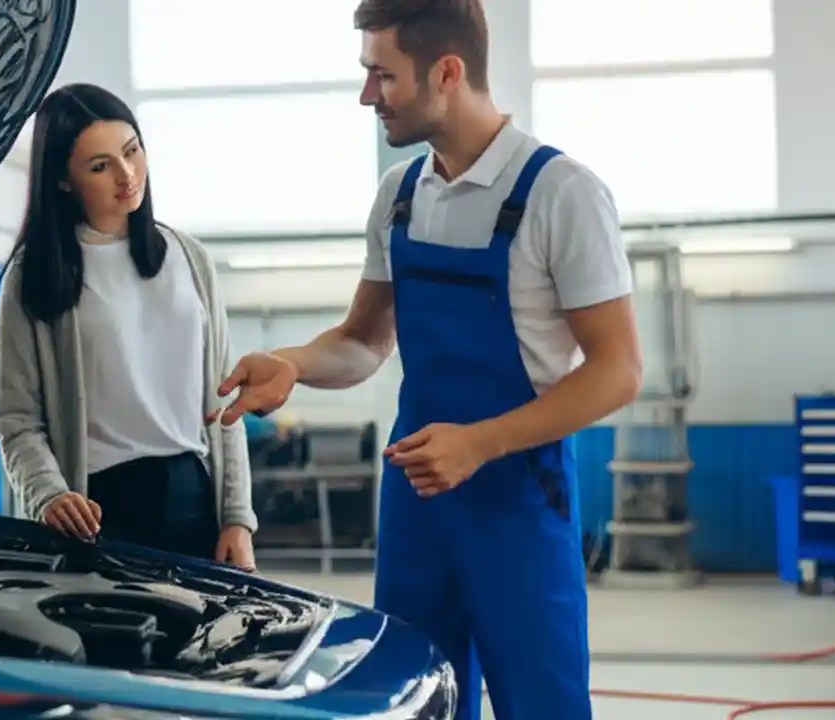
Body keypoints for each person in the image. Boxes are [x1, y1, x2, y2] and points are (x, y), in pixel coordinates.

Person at [209, 1, 642, 717]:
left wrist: (480, 443)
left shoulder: (562, 195)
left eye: (382, 75)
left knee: (543, 704)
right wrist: (292, 362)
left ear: (447, 72)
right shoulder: (400, 196)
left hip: (517, 506)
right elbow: (364, 342)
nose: (366, 96)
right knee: (415, 702)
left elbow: (619, 370)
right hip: (416, 504)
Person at [0, 83, 257, 571]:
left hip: (193, 500)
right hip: (96, 511)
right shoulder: (33, 277)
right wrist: (48, 495)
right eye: (100, 166)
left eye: (131, 150)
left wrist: (237, 519)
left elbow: (226, 403)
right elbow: (17, 421)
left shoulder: (190, 259)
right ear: (63, 180)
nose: (127, 174)